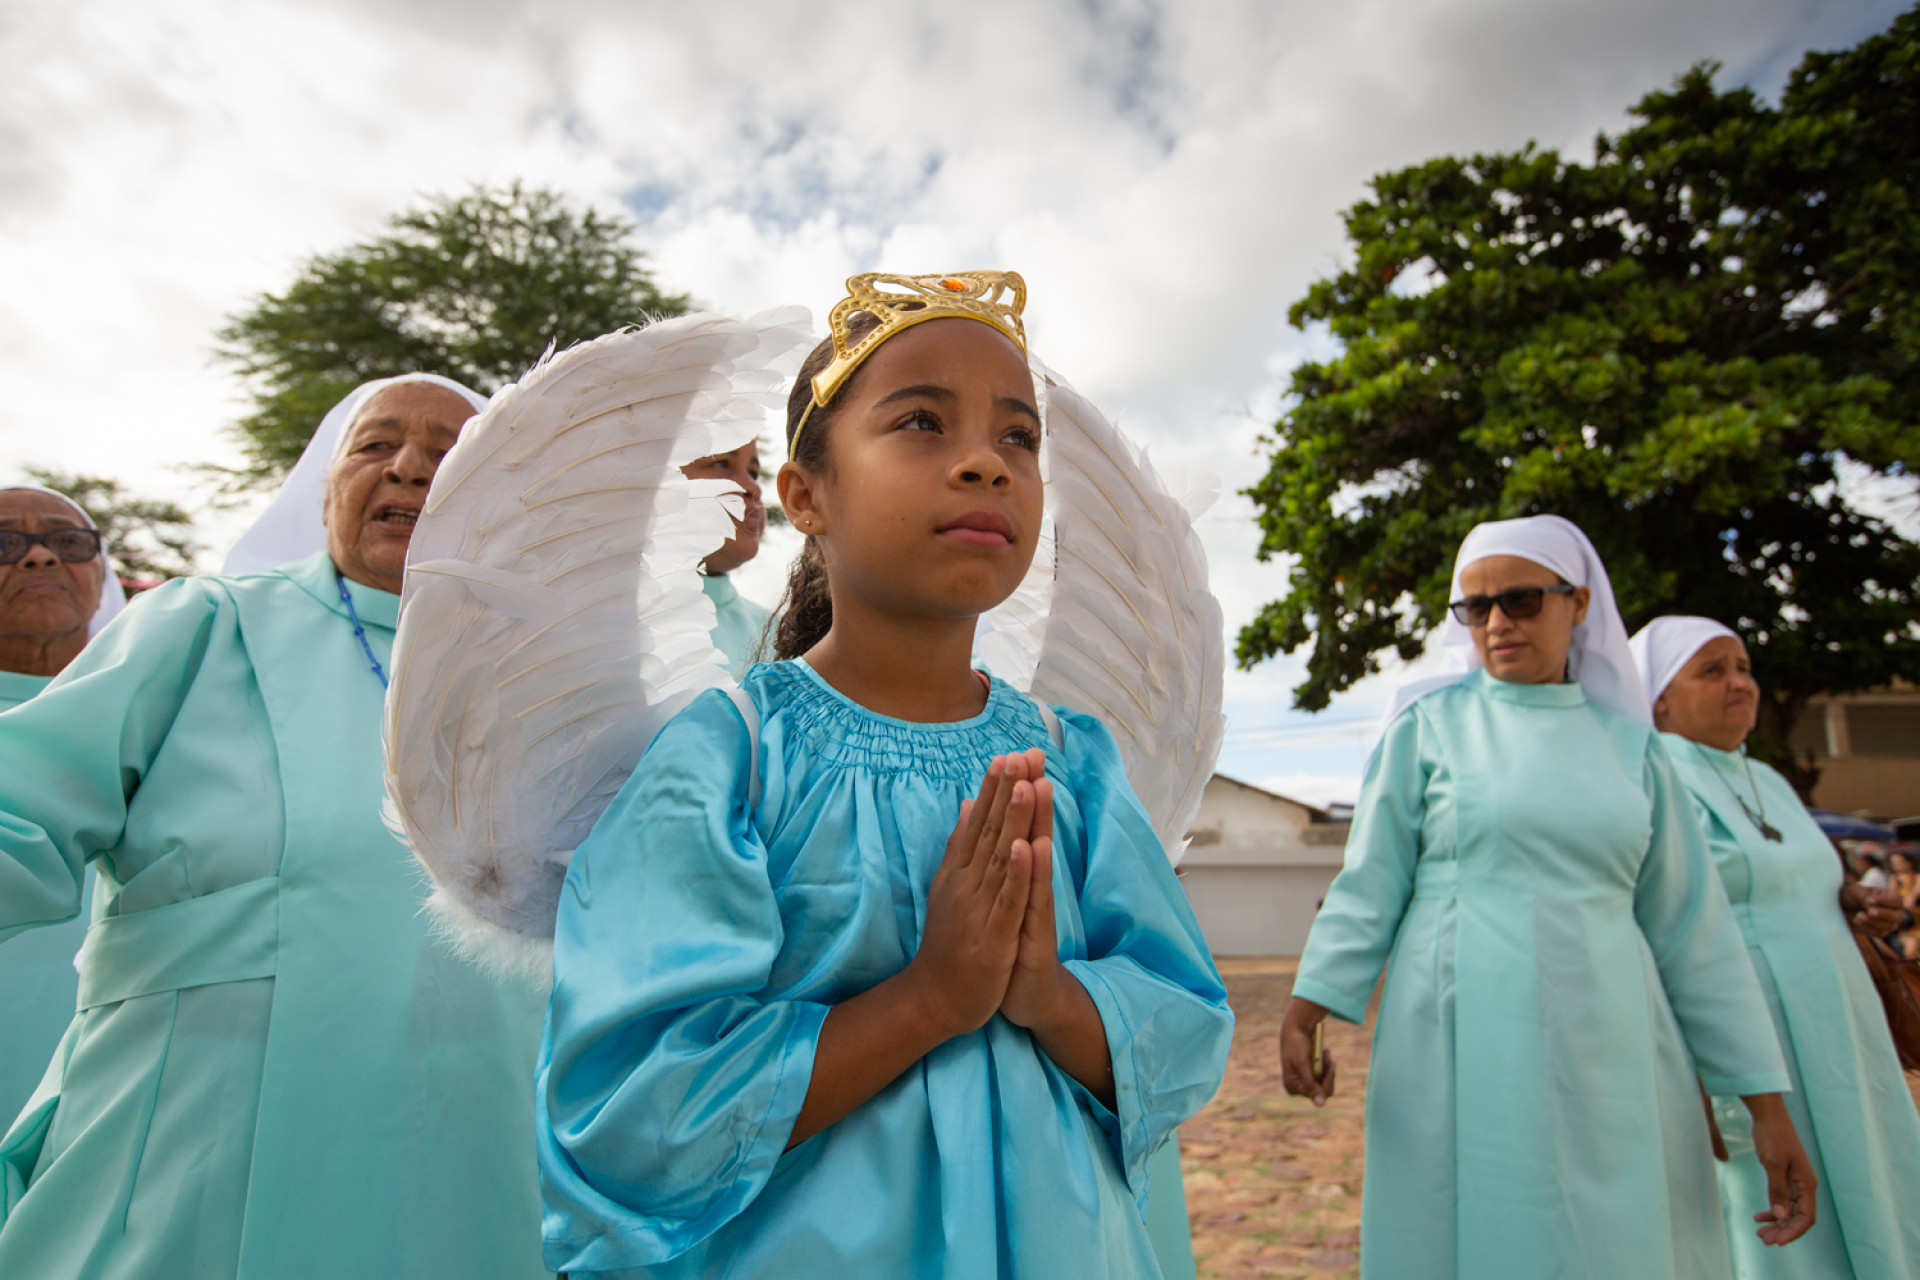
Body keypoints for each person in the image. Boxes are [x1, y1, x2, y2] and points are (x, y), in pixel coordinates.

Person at [537, 273, 1233, 1278]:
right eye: (921, 422)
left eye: (1019, 436)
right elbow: (632, 1102)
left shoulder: (1071, 758)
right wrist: (928, 998)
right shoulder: (731, 756)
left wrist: (1047, 994)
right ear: (805, 494)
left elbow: (1181, 1025)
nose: (986, 463)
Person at [0, 375, 551, 1279]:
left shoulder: (549, 681)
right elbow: (19, 807)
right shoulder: (204, 627)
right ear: (323, 488)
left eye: (450, 450)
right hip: (191, 1148)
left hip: (474, 1158)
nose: (410, 469)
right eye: (376, 445)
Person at [1278, 515, 1816, 1280]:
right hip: (1452, 1031)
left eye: (1522, 600)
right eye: (1476, 607)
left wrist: (1765, 1108)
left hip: (1615, 1041)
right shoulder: (1427, 730)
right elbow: (1370, 884)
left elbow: (1695, 935)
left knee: (1610, 1239)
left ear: (1579, 604)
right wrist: (1309, 1006)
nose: (1497, 622)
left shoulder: (1634, 751)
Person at [1632, 614, 1920, 1278]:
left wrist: (1852, 900)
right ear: (1657, 699)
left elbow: (1790, 882)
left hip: (1843, 1028)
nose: (1740, 683)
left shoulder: (1768, 778)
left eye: (1744, 668)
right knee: (1780, 1210)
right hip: (1752, 1038)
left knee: (1872, 1178)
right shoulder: (1650, 783)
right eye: (1712, 671)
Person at [0, 485, 125, 1129]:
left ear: (101, 571)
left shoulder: (166, 718)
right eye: (5, 543)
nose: (40, 557)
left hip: (122, 1084)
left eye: (68, 541)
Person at [683, 441, 773, 675]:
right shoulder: (602, 629)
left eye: (753, 472)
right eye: (721, 464)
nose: (753, 487)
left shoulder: (783, 637)